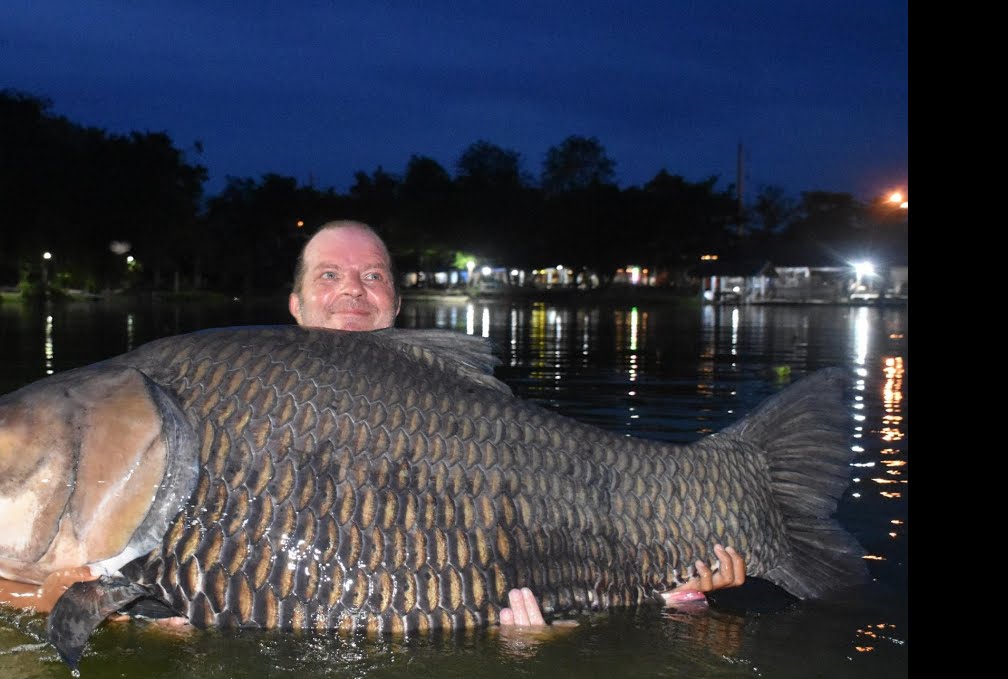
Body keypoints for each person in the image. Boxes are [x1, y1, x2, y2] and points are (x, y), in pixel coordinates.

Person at [288, 220, 747, 627]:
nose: (353, 290)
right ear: (296, 303)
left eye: (372, 275)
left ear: (396, 301)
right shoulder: (259, 414)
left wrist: (672, 592)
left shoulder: (479, 416)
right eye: (329, 275)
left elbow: (575, 545)